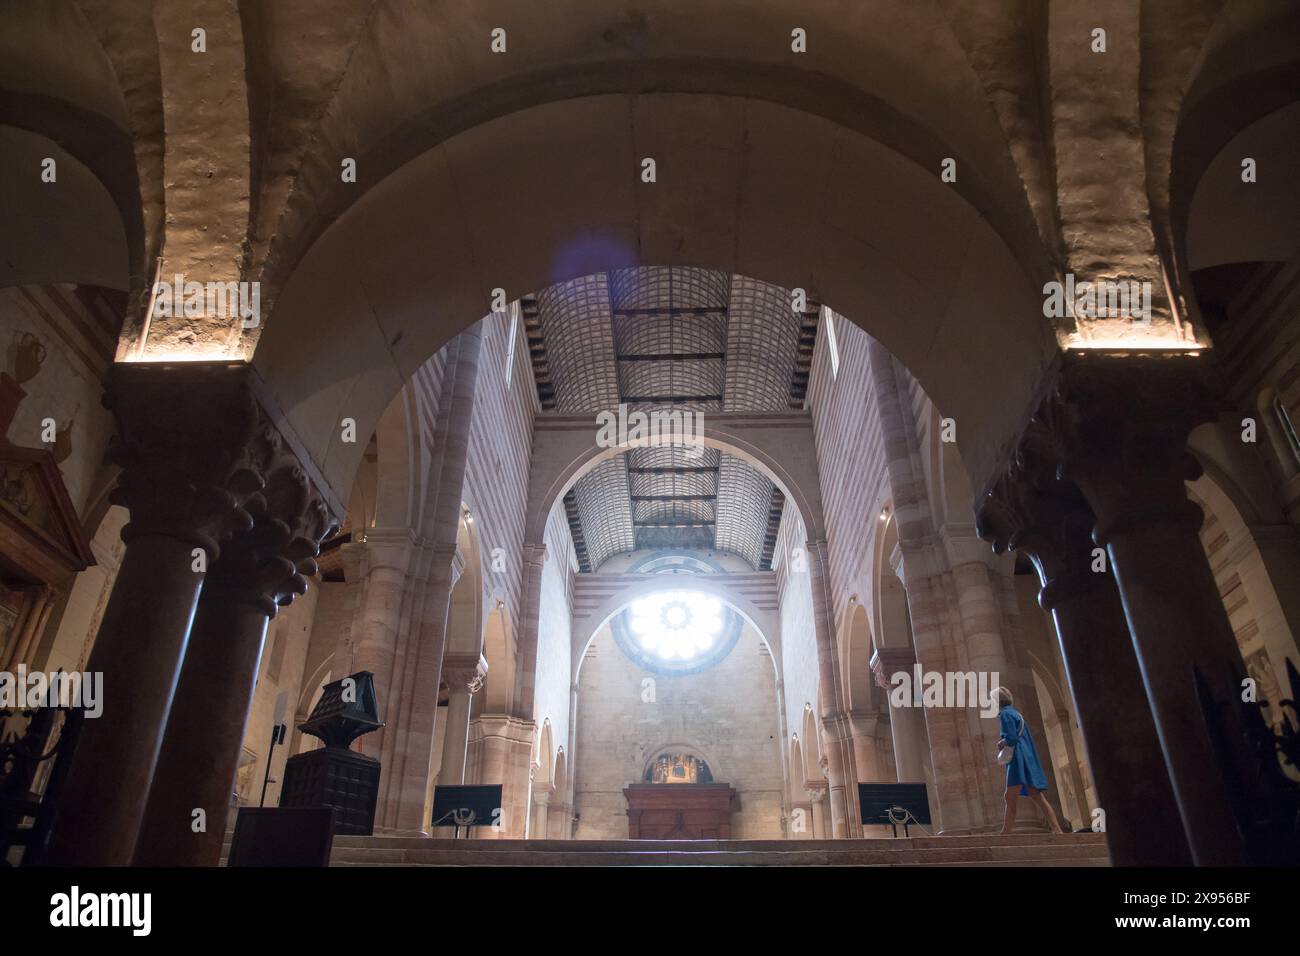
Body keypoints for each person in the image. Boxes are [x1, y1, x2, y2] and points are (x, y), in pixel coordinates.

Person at [993, 686, 1065, 834]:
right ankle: (1057, 829)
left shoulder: (1005, 715)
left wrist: (1002, 743)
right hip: (1026, 756)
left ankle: (1006, 833)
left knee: (1009, 796)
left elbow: (1011, 738)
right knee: (1037, 795)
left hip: (1017, 759)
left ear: (997, 701)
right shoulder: (1017, 714)